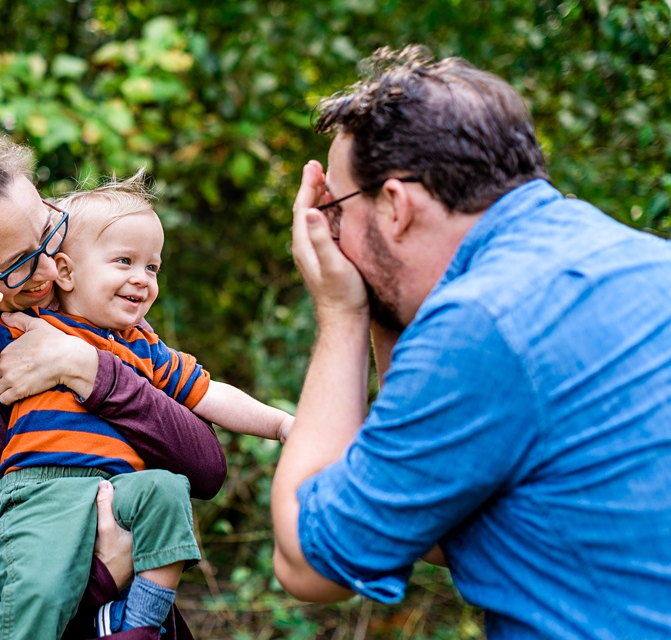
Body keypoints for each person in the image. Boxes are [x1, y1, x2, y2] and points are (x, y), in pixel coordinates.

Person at [271, 45, 671, 639]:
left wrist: (342, 313)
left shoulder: (484, 324)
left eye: (337, 206)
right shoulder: (636, 259)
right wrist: (383, 307)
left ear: (397, 205)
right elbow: (415, 508)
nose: (331, 229)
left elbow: (309, 562)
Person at [0, 105, 228, 640]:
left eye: (47, 232)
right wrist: (93, 572)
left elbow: (205, 469)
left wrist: (92, 371)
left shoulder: (90, 303)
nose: (43, 270)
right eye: (13, 264)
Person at [0, 171, 292, 639]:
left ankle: (135, 623)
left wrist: (282, 425)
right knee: (39, 591)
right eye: (124, 261)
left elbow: (210, 394)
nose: (142, 278)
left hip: (117, 493)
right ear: (68, 271)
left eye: (152, 267)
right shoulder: (28, 324)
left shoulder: (147, 348)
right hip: (45, 490)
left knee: (167, 490)